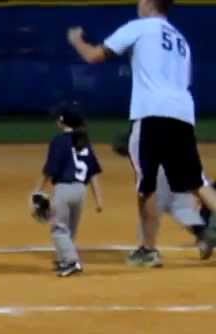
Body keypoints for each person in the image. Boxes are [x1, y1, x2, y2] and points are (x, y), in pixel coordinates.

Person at [68, 0, 216, 268]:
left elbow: (94, 56)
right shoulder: (181, 40)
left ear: (149, 3)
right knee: (196, 182)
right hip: (182, 112)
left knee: (146, 184)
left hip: (151, 113)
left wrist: (77, 40)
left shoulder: (141, 27)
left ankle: (148, 250)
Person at [32, 108, 103, 277]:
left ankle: (71, 262)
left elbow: (50, 169)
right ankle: (64, 259)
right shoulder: (84, 141)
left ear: (62, 122)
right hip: (81, 191)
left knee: (59, 230)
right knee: (70, 230)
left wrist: (39, 189)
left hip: (63, 190)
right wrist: (99, 199)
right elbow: (92, 173)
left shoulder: (59, 141)